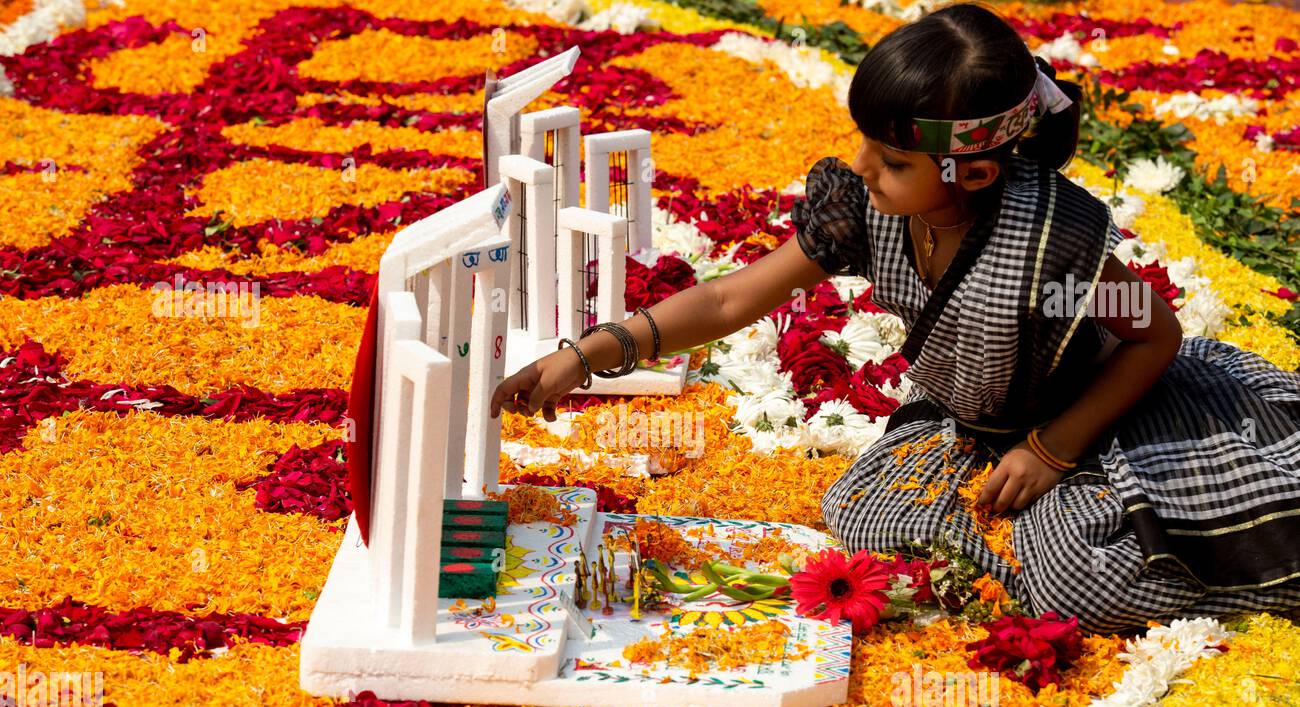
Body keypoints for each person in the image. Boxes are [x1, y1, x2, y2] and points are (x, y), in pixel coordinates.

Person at [490, 2, 1300, 635]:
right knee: (863, 514)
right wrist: (590, 353)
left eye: (896, 161)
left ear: (975, 168)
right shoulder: (869, 213)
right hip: (972, 422)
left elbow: (1154, 334)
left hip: (1102, 419)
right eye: (867, 146)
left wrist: (1053, 450)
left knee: (1081, 581)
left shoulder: (1050, 243)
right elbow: (733, 296)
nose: (865, 169)